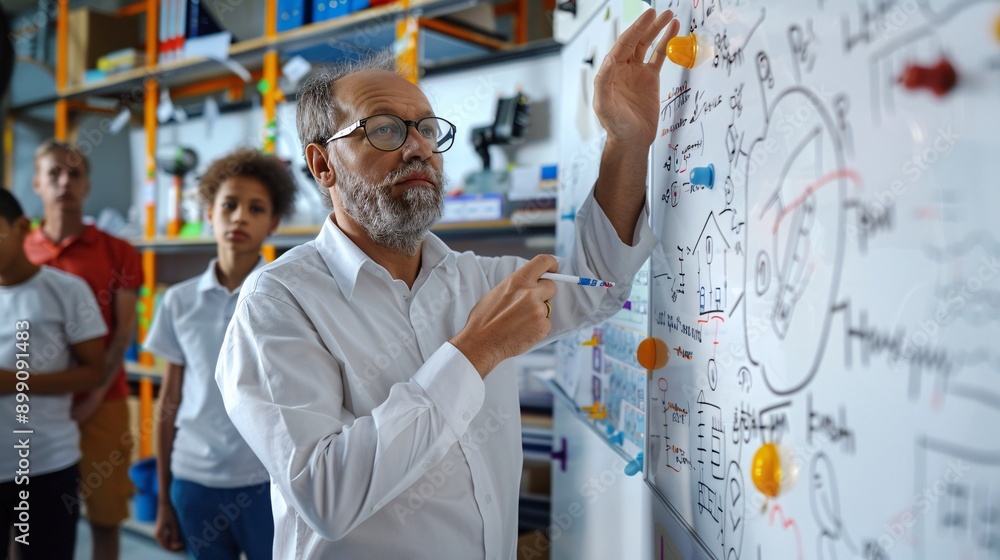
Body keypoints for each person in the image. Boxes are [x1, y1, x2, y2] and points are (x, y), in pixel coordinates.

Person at [216, 9, 680, 559]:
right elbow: (327, 494)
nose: (418, 147)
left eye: (427, 129)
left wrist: (625, 142)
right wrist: (475, 352)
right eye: (384, 128)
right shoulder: (277, 303)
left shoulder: (476, 279)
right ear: (322, 164)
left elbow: (598, 286)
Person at [144, 149, 297, 559]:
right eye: (228, 205)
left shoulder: (289, 297)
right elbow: (169, 401)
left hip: (269, 479)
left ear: (274, 223)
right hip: (193, 480)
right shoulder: (179, 301)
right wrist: (162, 499)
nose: (240, 217)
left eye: (256, 208)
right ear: (209, 213)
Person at [23, 139, 143, 560]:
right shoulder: (20, 252)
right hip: (31, 405)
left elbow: (123, 335)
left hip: (102, 403)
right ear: (36, 182)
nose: (64, 182)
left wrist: (91, 397)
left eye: (74, 174)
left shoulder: (120, 251)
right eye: (54, 173)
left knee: (105, 519)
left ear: (87, 185)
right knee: (28, 520)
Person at [0, 188, 107, 559]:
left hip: (44, 464)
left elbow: (94, 372)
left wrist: (15, 381)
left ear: (21, 227)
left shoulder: (64, 290)